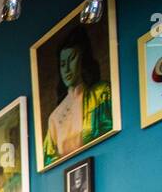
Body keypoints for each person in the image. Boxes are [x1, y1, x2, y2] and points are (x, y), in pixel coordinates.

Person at [42, 24, 113, 166]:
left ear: (82, 59)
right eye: (62, 64)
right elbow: (49, 159)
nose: (67, 69)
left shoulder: (102, 93)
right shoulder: (54, 118)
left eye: (72, 59)